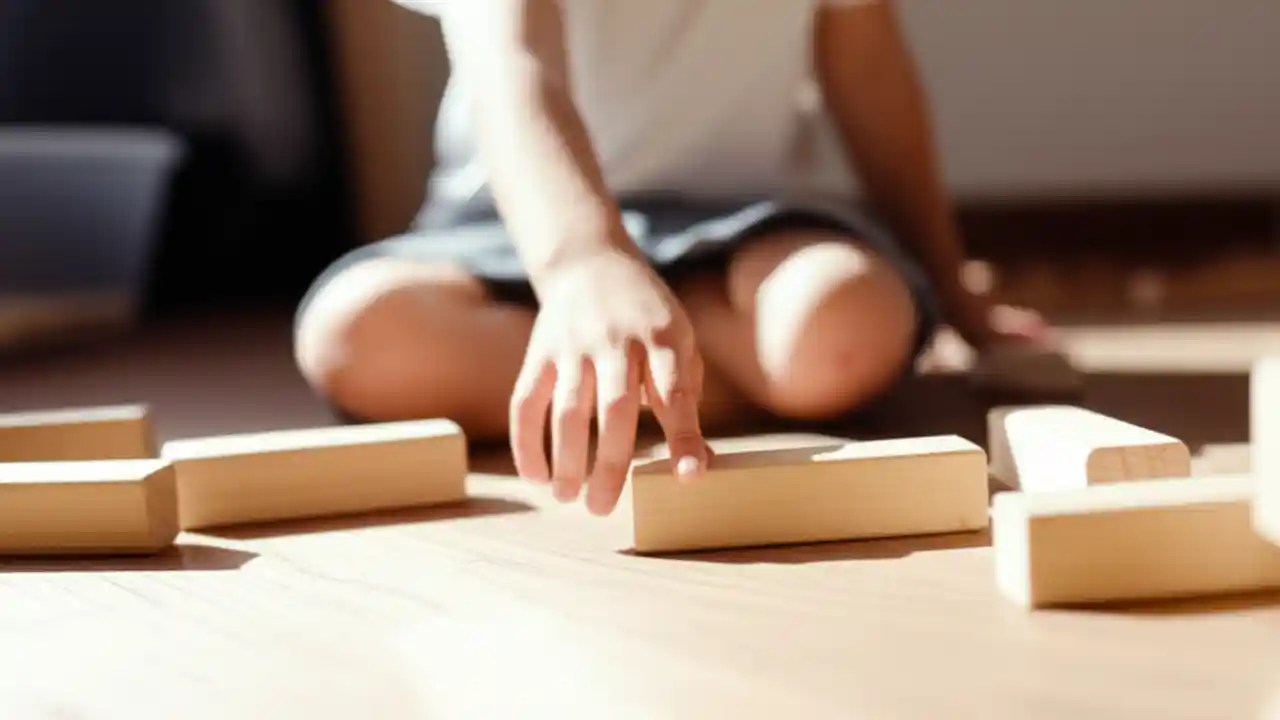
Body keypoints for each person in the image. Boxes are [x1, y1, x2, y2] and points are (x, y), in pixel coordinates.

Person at [294, 0, 1050, 516]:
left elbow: (869, 70)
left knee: (843, 320)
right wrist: (584, 264)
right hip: (511, 223)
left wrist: (950, 286)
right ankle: (659, 368)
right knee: (351, 335)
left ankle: (615, 377)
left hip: (739, 224)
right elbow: (514, 70)